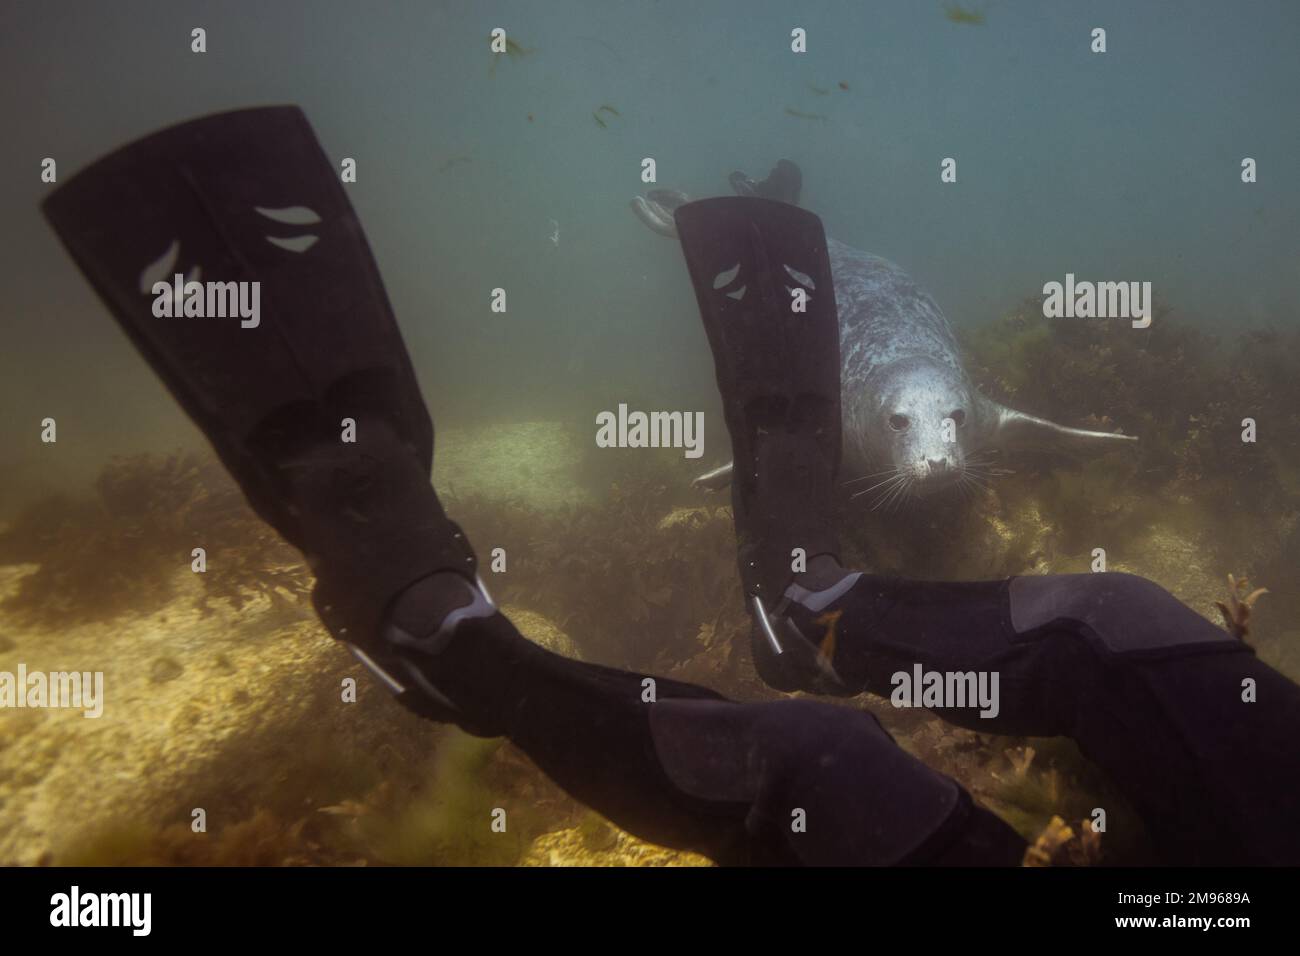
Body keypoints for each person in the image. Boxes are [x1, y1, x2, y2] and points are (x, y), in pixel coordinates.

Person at [43, 107, 1300, 866]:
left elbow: (972, 430)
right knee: (1118, 609)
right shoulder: (933, 403)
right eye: (926, 431)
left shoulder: (957, 423)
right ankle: (811, 604)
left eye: (947, 434)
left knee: (815, 763)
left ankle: (456, 649)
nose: (938, 449)